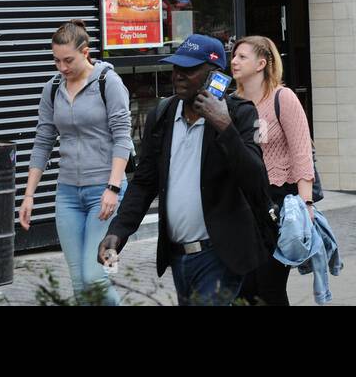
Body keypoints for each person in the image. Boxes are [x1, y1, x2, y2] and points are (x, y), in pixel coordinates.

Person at [98, 34, 273, 306]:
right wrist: (118, 231)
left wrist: (224, 127)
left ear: (214, 74)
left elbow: (256, 181)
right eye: (175, 67)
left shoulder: (239, 114)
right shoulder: (164, 114)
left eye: (189, 70)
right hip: (178, 257)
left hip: (219, 255)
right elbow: (145, 183)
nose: (178, 75)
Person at [19, 19, 132, 305]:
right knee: (79, 282)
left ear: (86, 51)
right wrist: (29, 195)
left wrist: (113, 188)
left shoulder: (109, 83)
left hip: (104, 193)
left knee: (95, 277)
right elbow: (43, 140)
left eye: (68, 60)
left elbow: (122, 138)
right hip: (67, 194)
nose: (62, 67)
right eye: (56, 60)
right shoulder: (53, 88)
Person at [231, 35, 315, 306]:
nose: (234, 61)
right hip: (243, 205)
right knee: (244, 288)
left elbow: (302, 152)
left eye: (242, 56)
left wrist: (307, 206)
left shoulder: (283, 98)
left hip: (279, 204)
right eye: (233, 56)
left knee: (270, 285)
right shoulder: (229, 103)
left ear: (261, 63)